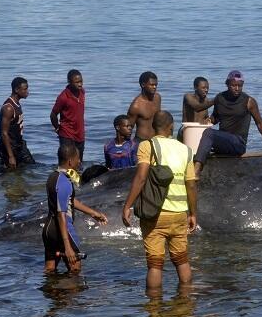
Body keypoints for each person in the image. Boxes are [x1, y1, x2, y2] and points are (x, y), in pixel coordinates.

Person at [122, 111, 198, 295]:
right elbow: (191, 185)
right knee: (182, 260)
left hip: (155, 213)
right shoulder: (186, 150)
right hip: (179, 214)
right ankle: (185, 302)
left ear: (152, 127)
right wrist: (193, 214)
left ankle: (154, 307)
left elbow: (141, 177)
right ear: (171, 127)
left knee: (155, 264)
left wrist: (127, 206)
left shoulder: (147, 146)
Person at [193, 70, 262, 171]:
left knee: (209, 133)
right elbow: (216, 117)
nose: (237, 88)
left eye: (240, 86)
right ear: (227, 84)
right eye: (233, 85)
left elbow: (260, 123)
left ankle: (196, 171)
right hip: (224, 143)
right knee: (205, 135)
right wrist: (209, 120)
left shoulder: (249, 101)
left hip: (238, 144)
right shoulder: (220, 98)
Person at [43, 141, 108, 275]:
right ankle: (71, 289)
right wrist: (67, 246)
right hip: (63, 230)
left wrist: (92, 213)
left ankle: (52, 288)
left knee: (50, 270)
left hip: (49, 230)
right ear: (70, 161)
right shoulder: (64, 182)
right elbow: (61, 214)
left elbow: (69, 201)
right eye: (78, 159)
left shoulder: (53, 177)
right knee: (75, 270)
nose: (79, 162)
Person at [0, 76, 35, 169]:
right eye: (25, 89)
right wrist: (11, 156)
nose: (27, 91)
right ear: (16, 90)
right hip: (9, 146)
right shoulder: (8, 108)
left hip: (19, 144)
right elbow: (4, 133)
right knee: (11, 171)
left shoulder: (17, 104)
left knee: (31, 166)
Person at [50, 69, 87, 158]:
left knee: (79, 161)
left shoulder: (82, 91)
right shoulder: (63, 97)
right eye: (77, 82)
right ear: (69, 82)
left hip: (80, 134)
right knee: (67, 162)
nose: (80, 84)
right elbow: (53, 114)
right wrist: (57, 128)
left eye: (81, 81)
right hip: (67, 134)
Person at [127, 71, 162, 142]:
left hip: (156, 139)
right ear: (143, 85)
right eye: (152, 85)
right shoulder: (136, 106)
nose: (154, 87)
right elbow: (128, 129)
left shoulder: (157, 98)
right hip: (141, 140)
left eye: (156, 85)